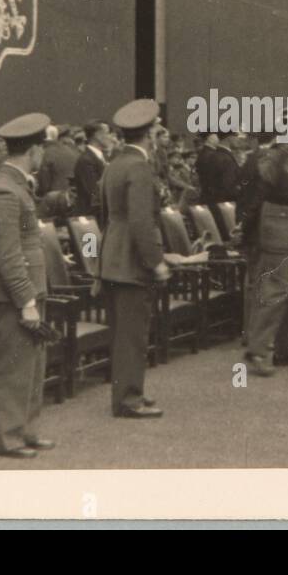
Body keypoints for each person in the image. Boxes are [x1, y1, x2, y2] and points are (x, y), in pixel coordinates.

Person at [0, 112, 59, 456]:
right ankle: (5, 436)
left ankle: (25, 428)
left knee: (30, 364)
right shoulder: (4, 189)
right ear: (34, 151)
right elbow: (7, 253)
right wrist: (25, 299)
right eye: (42, 147)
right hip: (15, 291)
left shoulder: (16, 184)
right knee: (12, 365)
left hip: (29, 286)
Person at [96, 100, 170, 417]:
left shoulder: (114, 164)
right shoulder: (139, 167)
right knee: (133, 334)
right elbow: (142, 221)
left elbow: (104, 214)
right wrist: (156, 261)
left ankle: (130, 390)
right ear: (150, 134)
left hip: (113, 256)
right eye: (156, 129)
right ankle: (128, 398)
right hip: (131, 261)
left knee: (124, 332)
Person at [235, 105, 288, 377]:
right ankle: (257, 351)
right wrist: (284, 147)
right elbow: (266, 178)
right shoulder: (272, 154)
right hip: (279, 224)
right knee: (274, 290)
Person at [196, 132, 241, 237]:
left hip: (211, 206)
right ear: (229, 138)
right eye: (237, 136)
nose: (239, 139)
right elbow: (229, 189)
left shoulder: (211, 155)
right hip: (223, 211)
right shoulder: (226, 159)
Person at [73, 120, 110, 217]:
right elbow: (93, 193)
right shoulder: (86, 161)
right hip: (92, 218)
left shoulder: (101, 157)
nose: (110, 137)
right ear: (97, 135)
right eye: (107, 133)